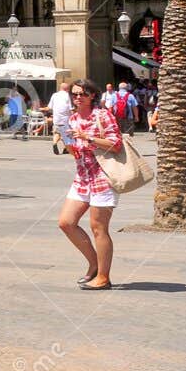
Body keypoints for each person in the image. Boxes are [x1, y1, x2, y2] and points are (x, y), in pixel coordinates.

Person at [59, 78, 122, 291]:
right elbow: (76, 150)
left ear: (92, 95)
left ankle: (103, 277)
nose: (78, 97)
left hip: (103, 178)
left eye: (82, 94)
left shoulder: (102, 115)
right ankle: (94, 263)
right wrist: (66, 142)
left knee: (98, 228)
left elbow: (115, 144)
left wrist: (87, 137)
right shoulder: (73, 118)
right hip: (82, 177)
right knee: (66, 223)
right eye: (75, 94)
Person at [48, 79, 74, 155]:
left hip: (56, 118)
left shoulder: (54, 95)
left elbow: (50, 107)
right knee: (66, 134)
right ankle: (66, 149)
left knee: (57, 132)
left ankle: (55, 143)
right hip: (66, 119)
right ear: (67, 89)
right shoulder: (68, 96)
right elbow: (71, 108)